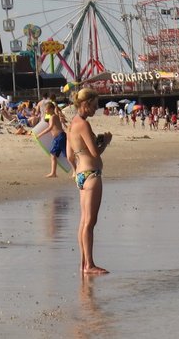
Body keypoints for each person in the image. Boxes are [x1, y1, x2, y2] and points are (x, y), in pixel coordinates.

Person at [66, 87, 112, 275]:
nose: (96, 108)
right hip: (91, 174)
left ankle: (83, 263)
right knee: (90, 222)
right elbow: (95, 153)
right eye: (94, 105)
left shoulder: (72, 124)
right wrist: (106, 142)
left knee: (83, 221)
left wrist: (75, 170)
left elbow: (69, 155)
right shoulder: (83, 125)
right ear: (85, 104)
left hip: (80, 175)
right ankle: (89, 265)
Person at [34, 100, 68, 178]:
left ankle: (76, 170)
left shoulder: (52, 117)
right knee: (53, 155)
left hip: (60, 138)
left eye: (47, 109)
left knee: (67, 155)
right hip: (59, 137)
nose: (45, 111)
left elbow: (50, 128)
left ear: (51, 109)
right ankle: (53, 173)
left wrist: (40, 134)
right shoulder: (54, 116)